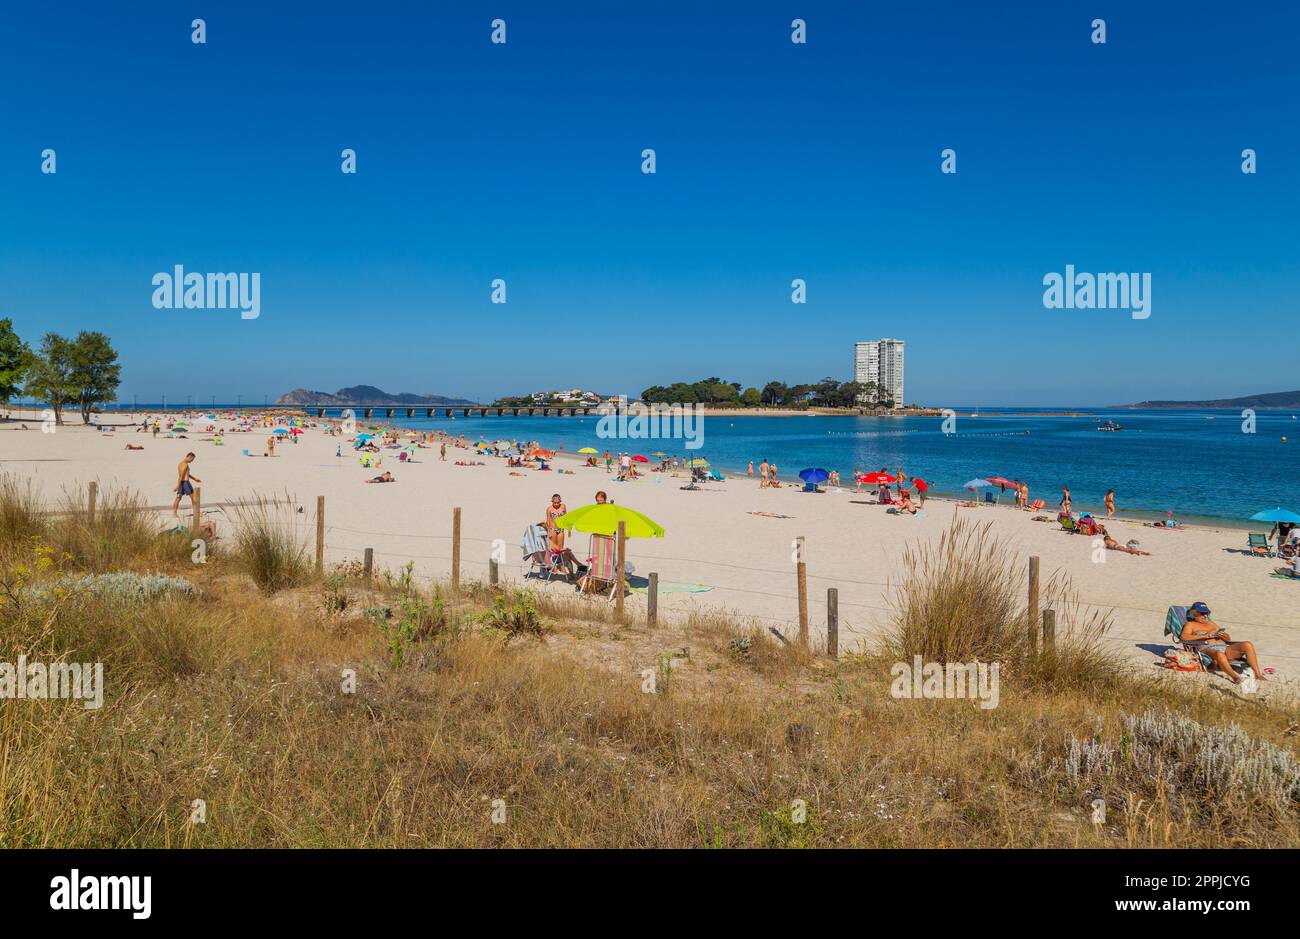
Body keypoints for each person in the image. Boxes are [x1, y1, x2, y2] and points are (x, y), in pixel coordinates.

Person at [1179, 602, 1265, 686]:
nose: (1205, 616)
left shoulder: (1211, 623)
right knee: (1219, 654)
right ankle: (1235, 677)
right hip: (1208, 649)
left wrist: (1224, 636)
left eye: (1207, 613)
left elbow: (1228, 639)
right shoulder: (1190, 624)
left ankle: (1258, 674)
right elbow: (1184, 637)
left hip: (1225, 647)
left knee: (1247, 644)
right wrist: (1204, 636)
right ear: (1195, 613)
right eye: (1202, 613)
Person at [171, 452, 200, 518]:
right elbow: (182, 476)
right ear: (189, 457)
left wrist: (194, 479)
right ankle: (197, 512)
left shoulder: (180, 463)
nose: (192, 461)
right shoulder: (185, 465)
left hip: (181, 482)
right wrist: (177, 486)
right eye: (192, 459)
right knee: (193, 498)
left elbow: (185, 474)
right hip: (185, 483)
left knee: (178, 498)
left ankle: (174, 513)